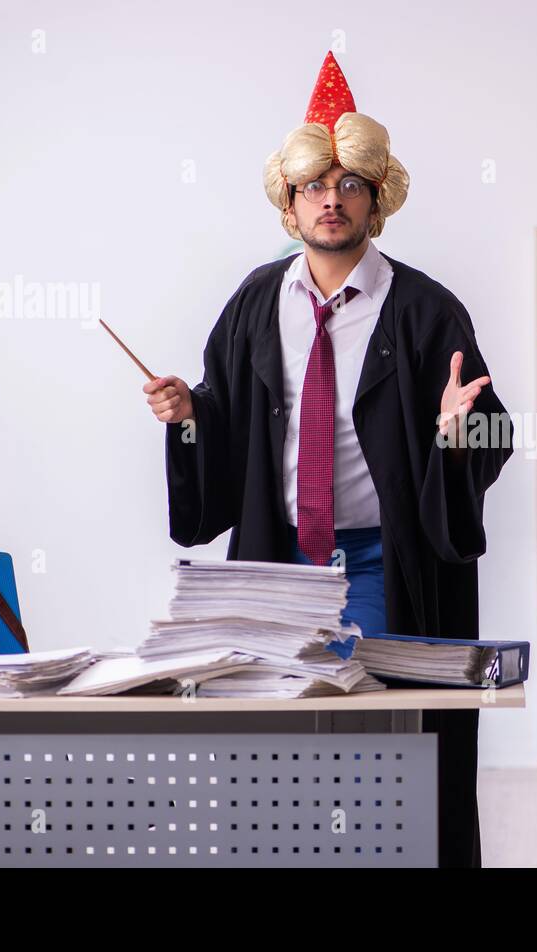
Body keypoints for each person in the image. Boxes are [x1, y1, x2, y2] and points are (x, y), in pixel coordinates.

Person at [143, 51, 513, 868]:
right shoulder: (253, 303)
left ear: (376, 200)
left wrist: (458, 432)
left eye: (349, 185)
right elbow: (223, 421)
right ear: (290, 201)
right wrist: (189, 416)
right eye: (315, 185)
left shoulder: (423, 310)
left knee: (391, 743)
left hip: (388, 562)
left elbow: (497, 433)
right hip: (280, 562)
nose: (331, 199)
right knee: (279, 753)